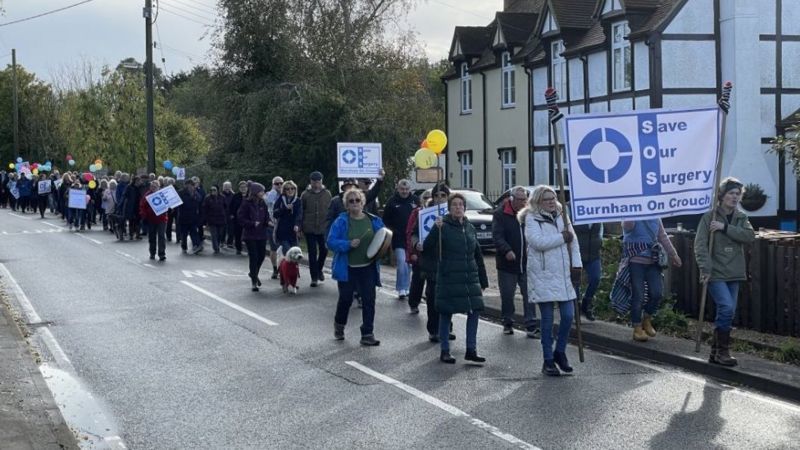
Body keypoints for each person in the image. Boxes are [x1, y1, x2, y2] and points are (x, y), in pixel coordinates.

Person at [520, 185, 582, 376]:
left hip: (563, 274)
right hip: (543, 274)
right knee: (547, 320)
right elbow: (537, 242)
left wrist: (577, 266)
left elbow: (574, 242)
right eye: (546, 199)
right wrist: (561, 237)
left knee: (568, 315)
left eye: (553, 198)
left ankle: (560, 352)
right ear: (538, 201)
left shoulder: (563, 215)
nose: (551, 202)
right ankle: (548, 359)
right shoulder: (531, 218)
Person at [694, 177, 755, 367]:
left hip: (734, 271)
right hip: (715, 272)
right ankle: (723, 352)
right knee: (727, 307)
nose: (735, 197)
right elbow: (700, 245)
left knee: (728, 311)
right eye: (731, 193)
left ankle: (715, 352)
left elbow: (749, 236)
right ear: (721, 195)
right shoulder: (709, 217)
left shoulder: (741, 217)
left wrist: (725, 227)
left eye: (737, 194)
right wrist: (705, 268)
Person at [424, 192, 489, 364]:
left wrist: (483, 279)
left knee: (475, 310)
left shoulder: (470, 228)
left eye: (461, 205)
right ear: (449, 208)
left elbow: (477, 254)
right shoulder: (442, 226)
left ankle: (471, 349)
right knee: (446, 312)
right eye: (454, 205)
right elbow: (428, 247)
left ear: (465, 208)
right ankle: (445, 350)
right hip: (449, 276)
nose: (458, 207)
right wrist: (435, 229)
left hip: (469, 278)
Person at [328, 187, 384, 346]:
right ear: (346, 204)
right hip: (347, 268)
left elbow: (383, 238)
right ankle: (339, 325)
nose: (354, 203)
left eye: (357, 200)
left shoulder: (373, 220)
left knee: (369, 300)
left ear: (362, 202)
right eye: (351, 201)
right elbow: (330, 241)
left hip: (368, 267)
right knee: (345, 299)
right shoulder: (341, 221)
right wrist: (347, 244)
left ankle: (367, 333)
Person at [620, 218, 682, 342]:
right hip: (635, 261)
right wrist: (632, 213)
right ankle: (637, 327)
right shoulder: (630, 212)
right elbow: (627, 227)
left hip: (653, 260)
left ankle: (647, 318)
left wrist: (674, 254)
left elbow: (662, 236)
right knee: (638, 295)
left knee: (657, 293)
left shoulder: (655, 216)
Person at [492, 186, 539, 337]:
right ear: (512, 199)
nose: (523, 203)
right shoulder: (500, 214)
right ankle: (507, 322)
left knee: (529, 294)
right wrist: (507, 250)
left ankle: (531, 325)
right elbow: (497, 236)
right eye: (520, 200)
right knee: (507, 295)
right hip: (507, 264)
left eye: (525, 199)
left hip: (527, 262)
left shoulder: (530, 213)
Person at [417, 183, 456, 342]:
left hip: (448, 262)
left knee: (448, 297)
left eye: (443, 196)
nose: (440, 199)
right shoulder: (424, 214)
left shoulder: (453, 214)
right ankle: (433, 329)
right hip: (431, 262)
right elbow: (415, 234)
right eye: (437, 196)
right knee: (433, 296)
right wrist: (416, 243)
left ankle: (446, 327)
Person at [382, 179, 418, 300]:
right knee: (402, 262)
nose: (404, 191)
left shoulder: (415, 200)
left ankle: (407, 287)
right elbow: (386, 220)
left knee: (409, 264)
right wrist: (392, 231)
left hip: (411, 238)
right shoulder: (392, 202)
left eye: (406, 189)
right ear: (398, 189)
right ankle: (401, 288)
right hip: (398, 237)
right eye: (402, 189)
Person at [300, 171, 332, 287]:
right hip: (309, 227)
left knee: (324, 250)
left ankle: (319, 269)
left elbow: (330, 210)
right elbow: (301, 211)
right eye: (314, 182)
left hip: (323, 227)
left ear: (321, 182)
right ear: (311, 182)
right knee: (312, 253)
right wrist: (300, 227)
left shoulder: (327, 194)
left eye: (318, 182)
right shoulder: (305, 194)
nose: (316, 184)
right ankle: (314, 278)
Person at [238, 182, 270, 291]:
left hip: (261, 234)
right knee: (254, 256)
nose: (263, 193)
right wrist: (251, 223)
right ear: (256, 192)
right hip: (250, 235)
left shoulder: (263, 203)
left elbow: (266, 215)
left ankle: (253, 273)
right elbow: (241, 218)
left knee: (261, 256)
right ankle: (254, 281)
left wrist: (268, 222)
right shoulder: (246, 203)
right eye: (261, 191)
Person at [405, 189, 432, 314]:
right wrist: (412, 252)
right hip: (419, 252)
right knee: (418, 279)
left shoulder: (439, 213)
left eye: (430, 197)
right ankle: (414, 303)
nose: (428, 200)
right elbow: (410, 232)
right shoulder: (417, 212)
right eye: (425, 198)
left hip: (431, 253)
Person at [574, 222, 603, 321]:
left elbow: (600, 229)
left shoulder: (597, 214)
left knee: (596, 277)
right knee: (575, 281)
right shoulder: (572, 213)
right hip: (577, 253)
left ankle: (586, 304)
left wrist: (600, 241)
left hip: (594, 254)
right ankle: (576, 307)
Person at [139, 181, 168, 261]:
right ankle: (152, 253)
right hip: (151, 219)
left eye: (155, 186)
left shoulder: (163, 194)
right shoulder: (147, 195)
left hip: (162, 219)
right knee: (152, 236)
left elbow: (168, 204)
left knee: (161, 236)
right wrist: (144, 215)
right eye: (152, 186)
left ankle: (162, 254)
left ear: (158, 187)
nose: (153, 188)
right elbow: (142, 206)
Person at [273, 180, 303, 254]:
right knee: (288, 252)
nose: (290, 190)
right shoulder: (280, 200)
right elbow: (275, 213)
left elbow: (299, 214)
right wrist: (285, 208)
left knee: (296, 253)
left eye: (292, 188)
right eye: (287, 189)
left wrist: (297, 225)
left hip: (293, 231)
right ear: (284, 190)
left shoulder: (298, 200)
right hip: (283, 230)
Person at [178, 180, 204, 254]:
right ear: (185, 185)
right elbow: (180, 203)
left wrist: (194, 193)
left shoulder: (195, 192)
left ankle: (197, 245)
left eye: (191, 185)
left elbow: (199, 199)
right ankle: (184, 247)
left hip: (193, 216)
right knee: (184, 234)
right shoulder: (181, 192)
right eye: (188, 185)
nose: (190, 187)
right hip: (183, 216)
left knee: (194, 232)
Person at [265, 176, 284, 278]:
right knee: (273, 248)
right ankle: (275, 268)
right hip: (272, 225)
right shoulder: (269, 195)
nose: (279, 185)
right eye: (277, 184)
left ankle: (283, 268)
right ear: (273, 185)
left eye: (281, 183)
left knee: (283, 247)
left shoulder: (287, 193)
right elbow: (267, 206)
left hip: (283, 225)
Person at [202, 185, 227, 254]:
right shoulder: (207, 198)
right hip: (212, 219)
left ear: (218, 190)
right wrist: (206, 219)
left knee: (219, 234)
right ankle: (216, 248)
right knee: (214, 234)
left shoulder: (222, 197)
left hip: (221, 219)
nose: (213, 191)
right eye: (211, 190)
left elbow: (225, 206)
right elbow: (205, 208)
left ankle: (217, 244)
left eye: (214, 190)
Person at [228, 181, 247, 254]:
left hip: (248, 218)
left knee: (248, 234)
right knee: (238, 234)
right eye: (241, 187)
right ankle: (238, 248)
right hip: (237, 218)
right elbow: (231, 206)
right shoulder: (236, 196)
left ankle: (249, 248)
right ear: (239, 188)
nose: (243, 188)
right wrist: (231, 214)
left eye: (244, 187)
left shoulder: (250, 196)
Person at [221, 181, 234, 246]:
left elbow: (234, 205)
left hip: (231, 214)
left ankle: (230, 243)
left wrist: (233, 214)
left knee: (231, 230)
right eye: (225, 186)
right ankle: (222, 241)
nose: (227, 188)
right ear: (223, 187)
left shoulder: (233, 195)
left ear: (230, 187)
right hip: (223, 215)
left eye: (228, 186)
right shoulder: (221, 195)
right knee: (223, 230)